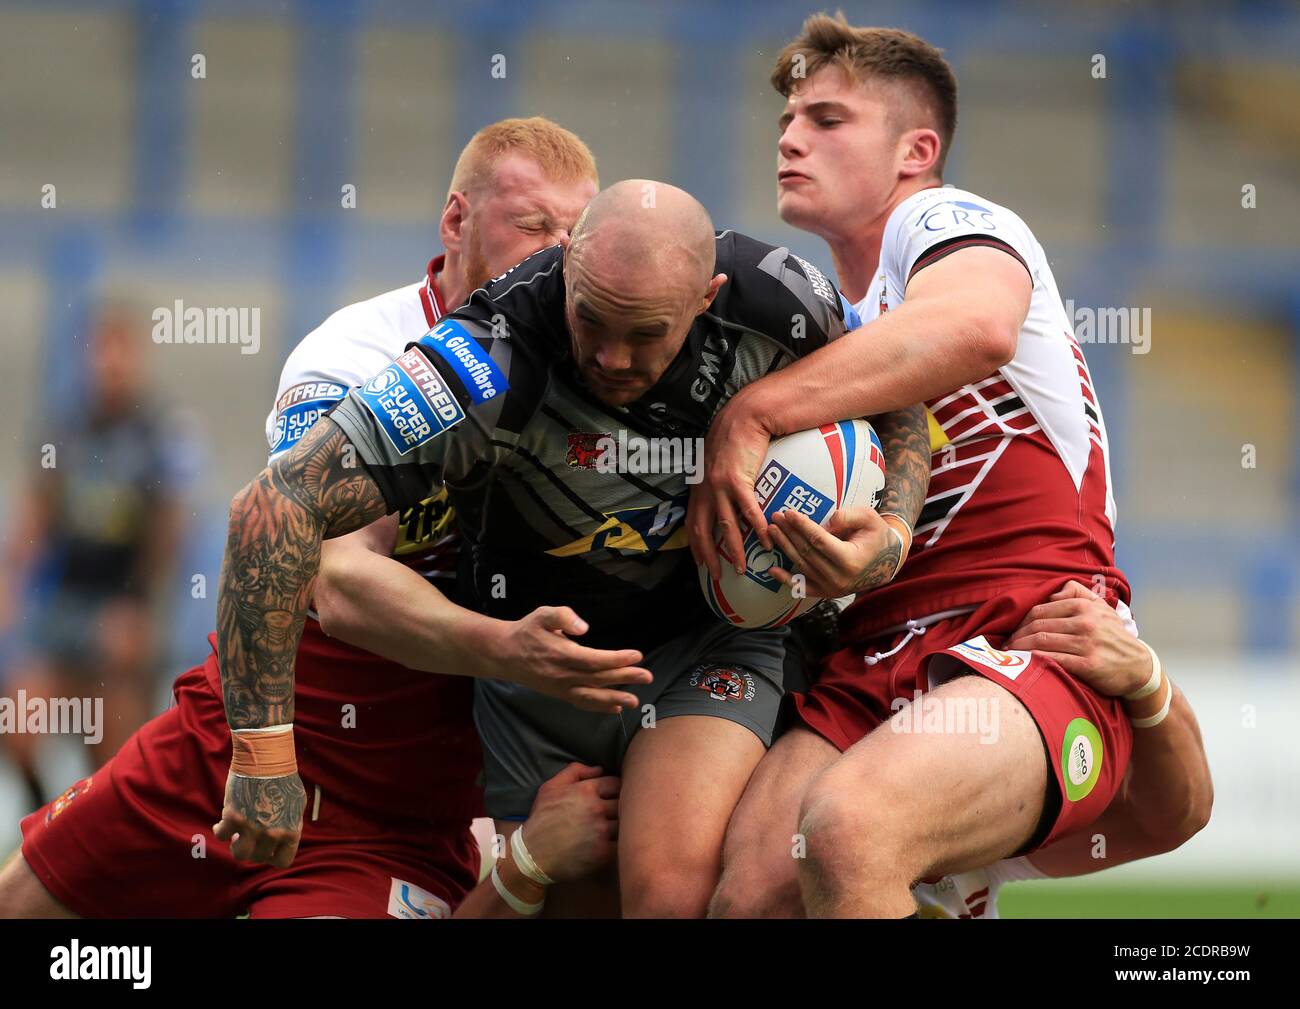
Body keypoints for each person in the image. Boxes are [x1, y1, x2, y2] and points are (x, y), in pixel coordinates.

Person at [211, 178, 933, 918]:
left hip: (707, 637)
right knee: (577, 899)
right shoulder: (484, 355)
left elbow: (900, 394)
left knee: (668, 895)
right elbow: (276, 504)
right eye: (590, 319)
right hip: (539, 659)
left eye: (646, 332)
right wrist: (263, 751)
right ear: (566, 261)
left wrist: (894, 534)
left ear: (706, 296)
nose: (613, 357)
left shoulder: (779, 302)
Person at [0, 118, 627, 919]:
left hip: (392, 825)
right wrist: (506, 649)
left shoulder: (609, 378)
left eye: (575, 238)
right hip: (229, 753)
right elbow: (330, 579)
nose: (554, 260)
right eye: (533, 226)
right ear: (456, 220)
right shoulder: (360, 353)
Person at [693, 16, 1211, 918]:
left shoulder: (944, 222)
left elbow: (978, 328)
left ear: (914, 149)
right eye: (786, 119)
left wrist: (756, 412)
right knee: (748, 898)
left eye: (826, 118)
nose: (789, 136)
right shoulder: (827, 322)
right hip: (874, 651)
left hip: (1031, 626)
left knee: (850, 828)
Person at [0, 304, 187, 799]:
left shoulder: (158, 436)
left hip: (120, 607)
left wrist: (140, 610)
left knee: (109, 748)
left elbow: (169, 537)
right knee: (18, 719)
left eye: (121, 350)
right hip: (62, 605)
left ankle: (97, 827)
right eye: (102, 350)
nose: (111, 362)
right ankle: (40, 817)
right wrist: (11, 583)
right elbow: (34, 517)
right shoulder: (64, 430)